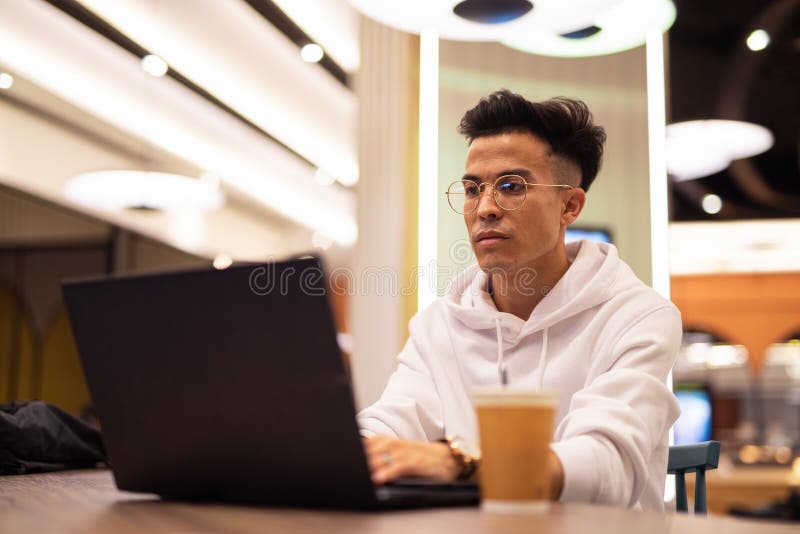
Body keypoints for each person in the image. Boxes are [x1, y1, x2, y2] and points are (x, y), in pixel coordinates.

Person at [357, 90, 681, 511]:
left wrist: (458, 462)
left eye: (511, 186)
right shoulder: (438, 324)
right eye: (473, 189)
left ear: (570, 205)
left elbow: (606, 465)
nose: (485, 208)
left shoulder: (638, 317)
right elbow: (388, 423)